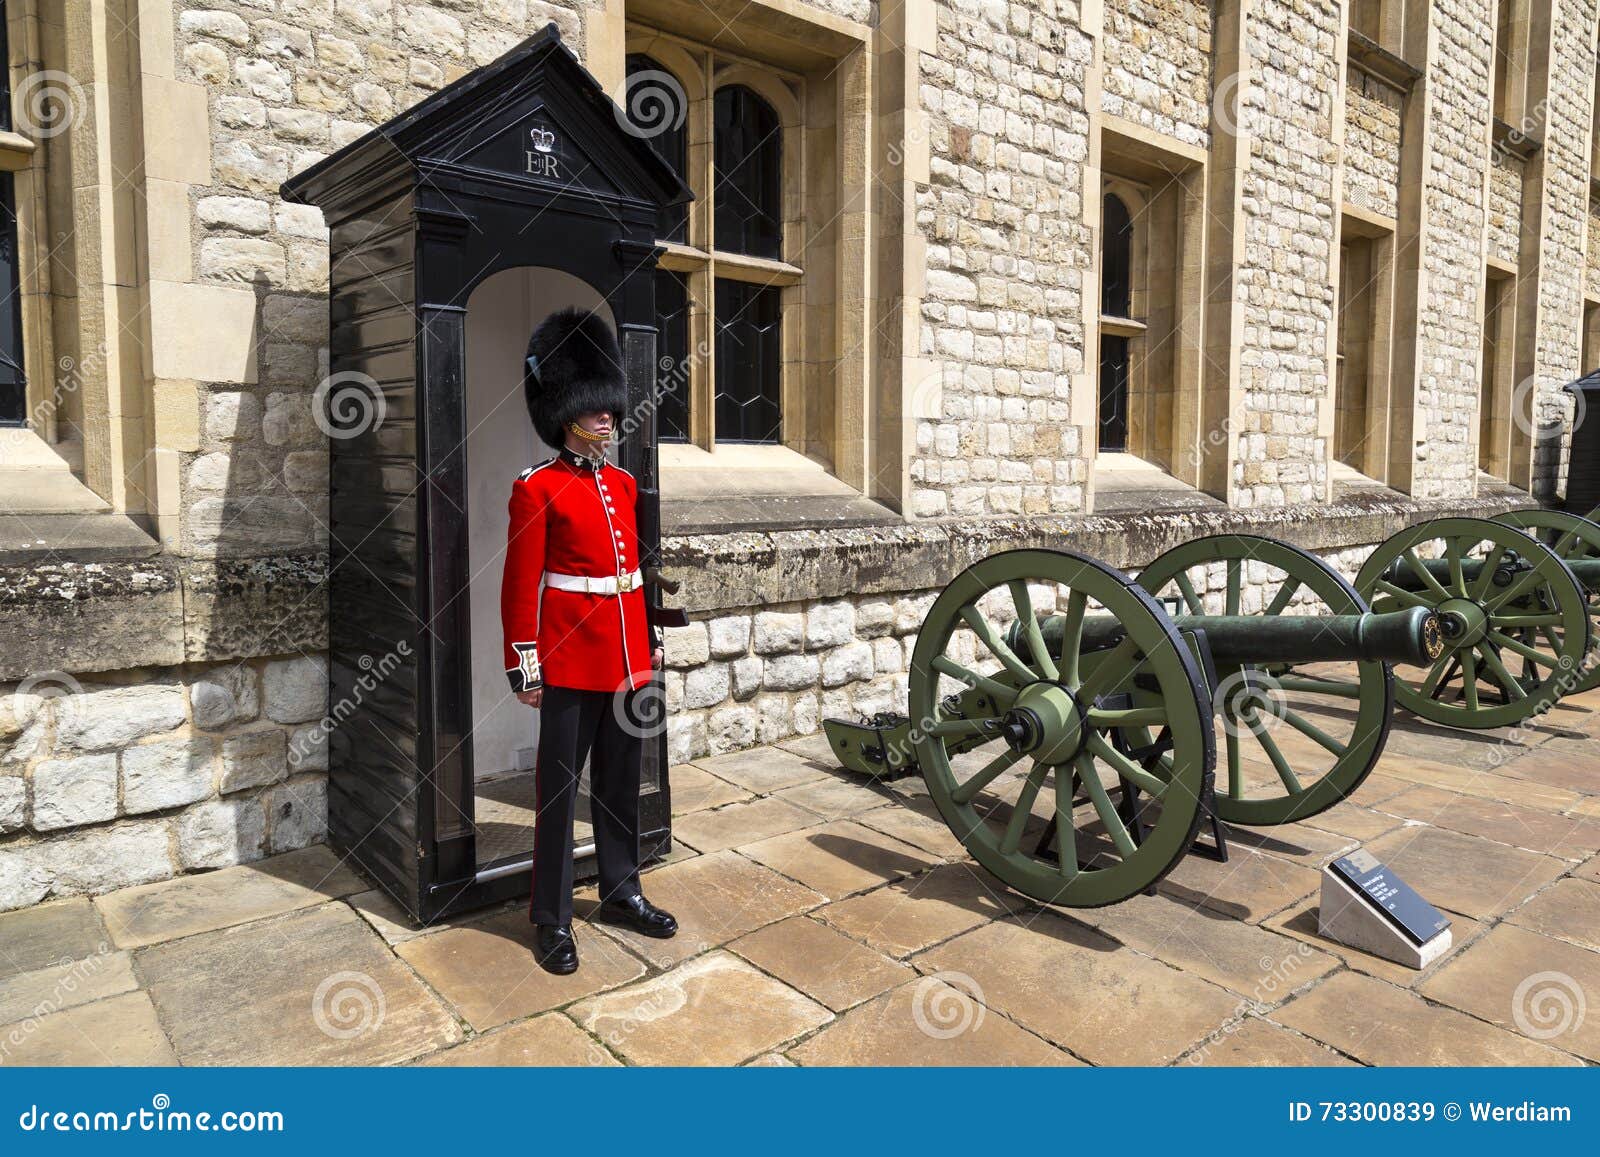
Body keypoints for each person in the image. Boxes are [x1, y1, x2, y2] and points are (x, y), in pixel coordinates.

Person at [501, 306, 678, 975]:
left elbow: (630, 576)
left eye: (609, 406)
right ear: (565, 409)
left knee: (619, 780)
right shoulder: (536, 488)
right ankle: (549, 916)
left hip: (627, 655)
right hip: (568, 660)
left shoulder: (624, 485)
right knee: (556, 790)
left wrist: (649, 641)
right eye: (595, 406)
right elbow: (521, 586)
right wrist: (525, 664)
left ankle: (622, 886)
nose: (607, 416)